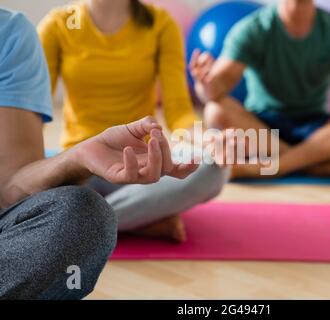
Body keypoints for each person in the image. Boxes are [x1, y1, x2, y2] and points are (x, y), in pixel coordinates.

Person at [0, 8, 197, 299]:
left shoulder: (11, 33)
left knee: (85, 216)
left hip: (115, 162)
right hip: (78, 163)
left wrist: (78, 158)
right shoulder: (59, 24)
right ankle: (135, 222)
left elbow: (10, 187)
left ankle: (119, 220)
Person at [38, 0, 229, 242]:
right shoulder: (57, 25)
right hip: (82, 168)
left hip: (144, 168)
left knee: (214, 167)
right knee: (30, 180)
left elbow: (179, 112)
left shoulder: (161, 24)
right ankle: (137, 220)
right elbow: (36, 112)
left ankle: (90, 225)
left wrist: (209, 138)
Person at [190, 0, 330, 179]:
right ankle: (314, 165)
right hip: (263, 127)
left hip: (315, 128)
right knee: (214, 110)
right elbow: (215, 90)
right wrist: (205, 83)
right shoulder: (251, 30)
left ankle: (272, 166)